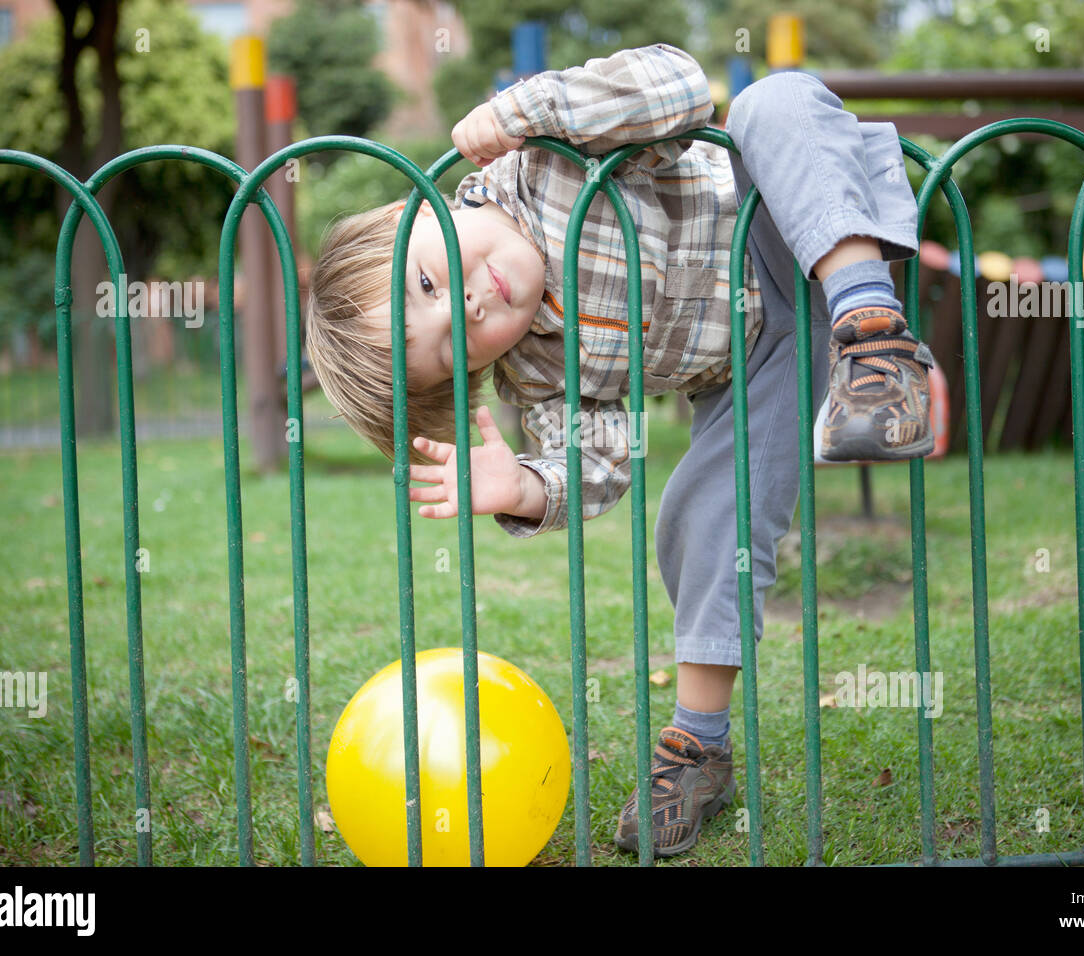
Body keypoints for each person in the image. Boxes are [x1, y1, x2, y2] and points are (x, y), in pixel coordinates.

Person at [305, 43, 930, 858]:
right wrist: (524, 485)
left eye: (429, 282)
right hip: (764, 364)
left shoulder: (543, 162)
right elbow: (601, 463)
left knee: (772, 101)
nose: (467, 305)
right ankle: (699, 746)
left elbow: (678, 86)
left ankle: (877, 339)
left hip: (790, 216)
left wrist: (524, 111)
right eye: (454, 343)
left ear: (415, 212)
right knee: (700, 519)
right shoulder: (534, 368)